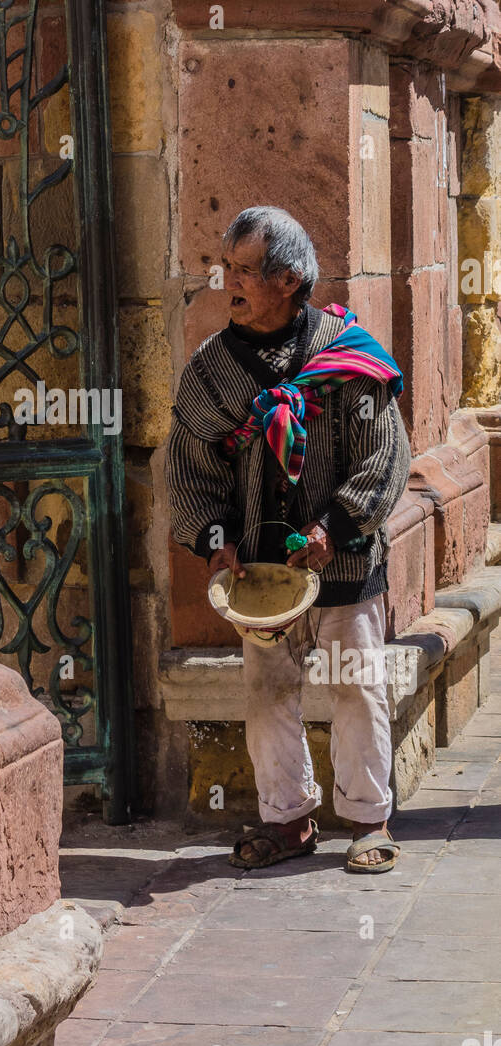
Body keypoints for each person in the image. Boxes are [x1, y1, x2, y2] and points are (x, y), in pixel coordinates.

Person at [165, 206, 412, 871]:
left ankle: (368, 820)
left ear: (292, 280)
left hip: (345, 562)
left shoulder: (347, 359)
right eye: (228, 268)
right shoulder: (212, 372)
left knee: (357, 685)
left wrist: (334, 527)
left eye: (246, 270)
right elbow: (192, 468)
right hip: (260, 577)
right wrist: (216, 538)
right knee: (268, 692)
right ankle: (288, 821)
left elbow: (383, 457)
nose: (230, 282)